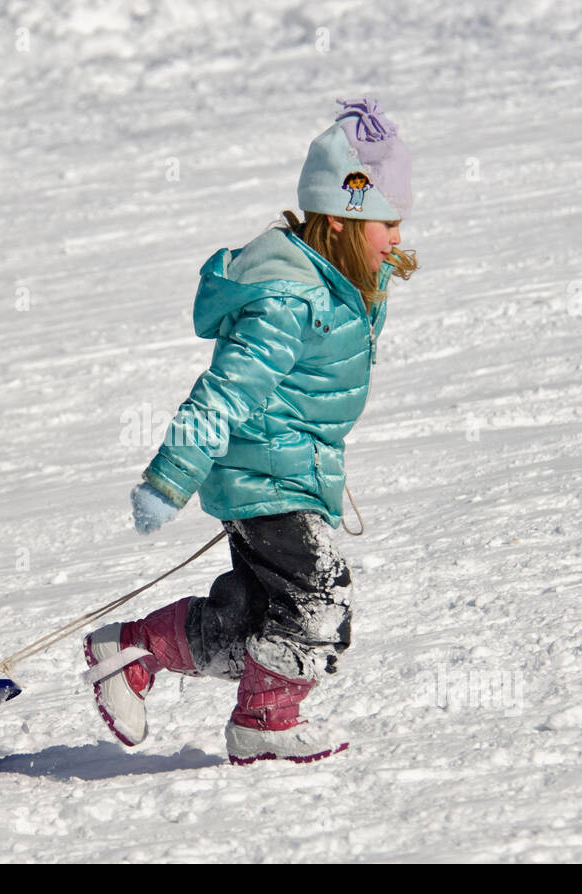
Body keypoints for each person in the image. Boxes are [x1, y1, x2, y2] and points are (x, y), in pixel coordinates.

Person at [83, 96, 418, 765]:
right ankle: (265, 719)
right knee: (319, 600)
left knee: (251, 619)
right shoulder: (287, 300)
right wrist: (169, 478)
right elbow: (225, 392)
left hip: (288, 475)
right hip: (267, 481)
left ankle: (131, 652)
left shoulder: (338, 283)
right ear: (343, 218)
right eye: (386, 221)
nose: (396, 237)